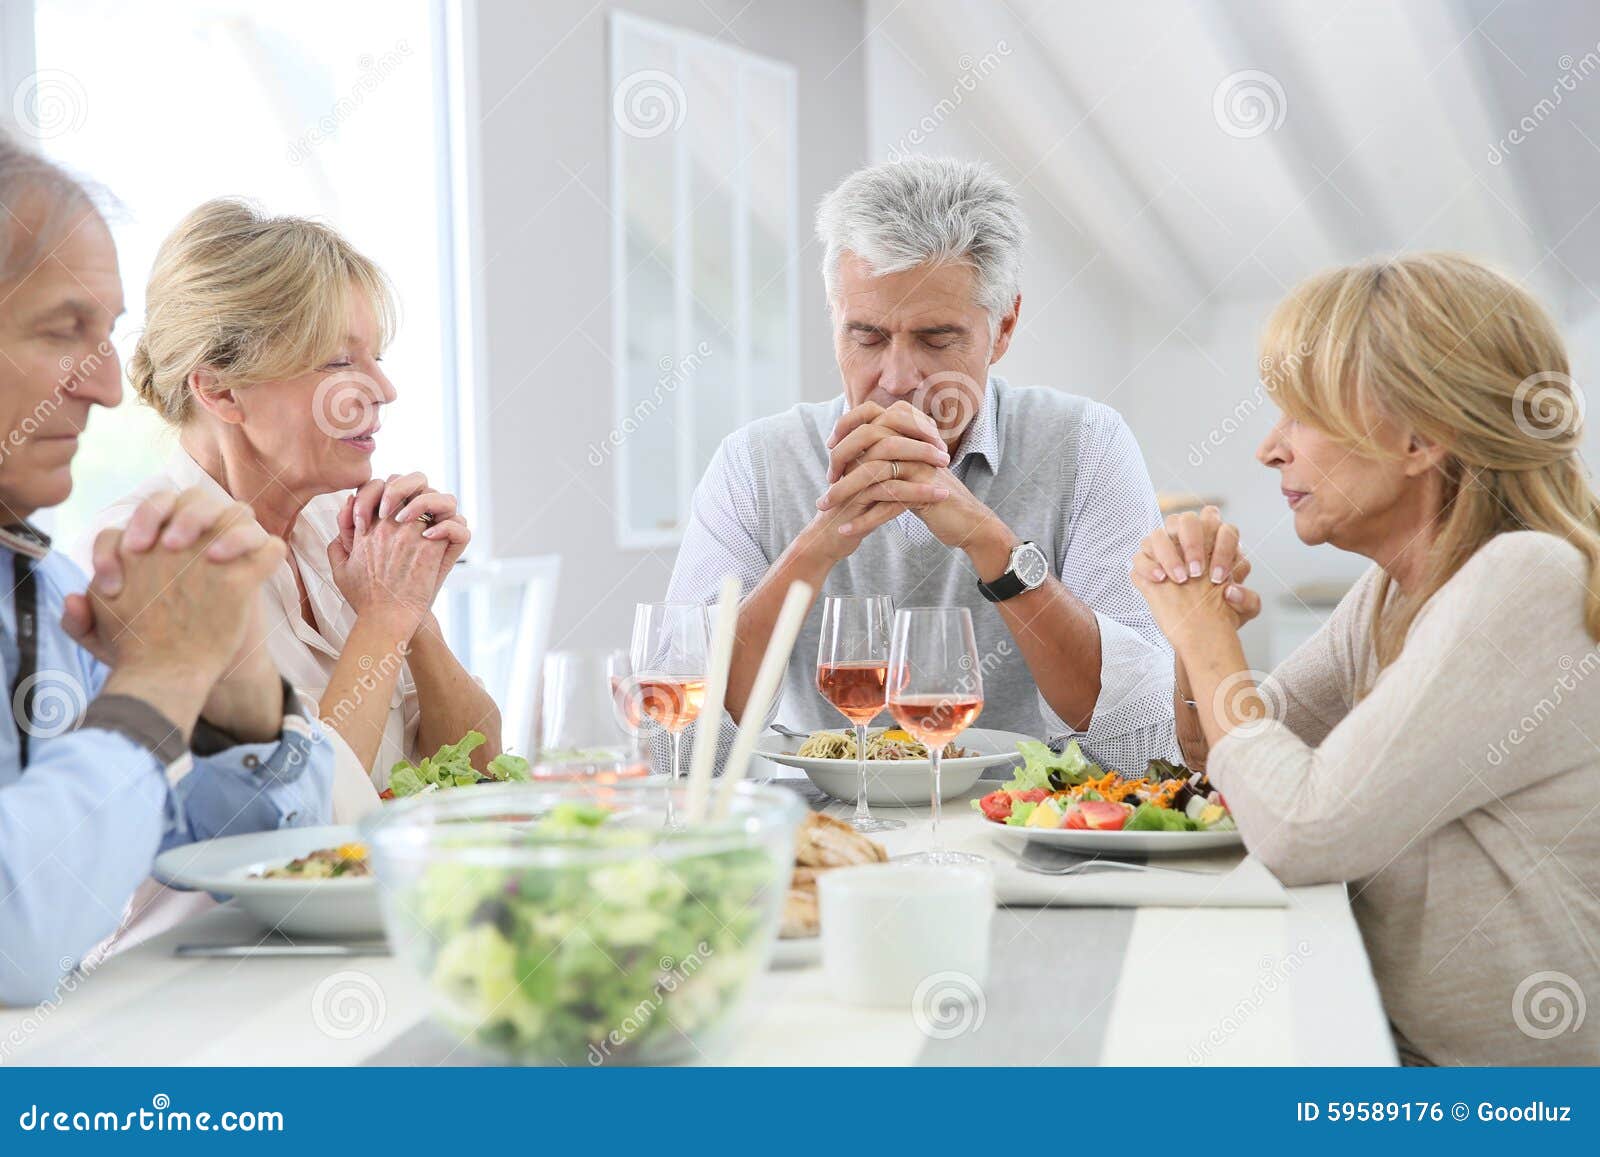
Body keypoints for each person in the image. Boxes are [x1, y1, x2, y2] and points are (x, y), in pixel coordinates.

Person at [1132, 253, 1600, 1066]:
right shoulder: (1393, 590)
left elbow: (1303, 829)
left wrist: (1209, 641)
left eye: (1299, 414)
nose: (1270, 449)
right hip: (1391, 1047)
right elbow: (1223, 764)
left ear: (1422, 436)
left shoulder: (1529, 578)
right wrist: (1198, 632)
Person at [668, 157, 1178, 773]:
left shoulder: (1085, 444)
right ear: (835, 317)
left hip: (1033, 839)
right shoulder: (754, 464)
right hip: (825, 843)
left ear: (1005, 326)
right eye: (868, 336)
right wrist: (820, 545)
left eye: (937, 339)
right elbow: (673, 750)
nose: (899, 379)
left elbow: (1143, 746)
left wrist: (988, 540)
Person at [0, 132, 334, 1002]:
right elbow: (14, 939)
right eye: (61, 331)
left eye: (107, 335)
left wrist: (242, 701)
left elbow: (236, 850)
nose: (108, 386)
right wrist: (162, 679)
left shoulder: (48, 590)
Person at [83, 199, 500, 812]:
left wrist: (414, 619)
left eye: (376, 360)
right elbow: (295, 820)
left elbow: (488, 770)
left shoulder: (338, 528)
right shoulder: (146, 559)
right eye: (339, 363)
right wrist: (383, 619)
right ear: (221, 388)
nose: (383, 390)